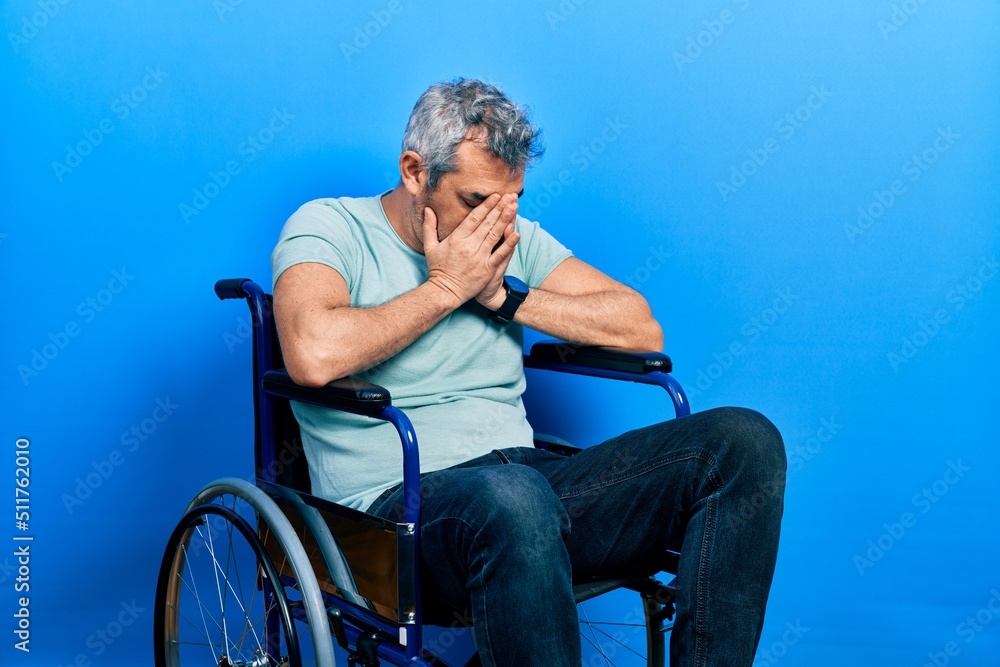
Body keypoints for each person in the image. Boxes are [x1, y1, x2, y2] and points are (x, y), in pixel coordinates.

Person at [271, 78, 786, 666]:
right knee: (514, 497)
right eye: (474, 201)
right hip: (396, 517)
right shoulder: (331, 228)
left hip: (530, 486)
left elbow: (640, 327)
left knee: (745, 441)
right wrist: (446, 288)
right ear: (416, 172)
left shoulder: (511, 242)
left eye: (510, 200)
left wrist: (508, 300)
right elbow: (312, 354)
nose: (495, 222)